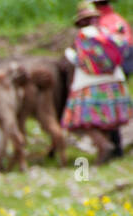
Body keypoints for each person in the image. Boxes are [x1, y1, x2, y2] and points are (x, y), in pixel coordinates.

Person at [64, 1, 132, 162]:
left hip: (90, 84)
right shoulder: (107, 31)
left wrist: (69, 54)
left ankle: (103, 146)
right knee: (107, 121)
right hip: (115, 82)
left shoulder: (83, 35)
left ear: (81, 21)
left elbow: (80, 60)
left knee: (84, 121)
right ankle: (112, 150)